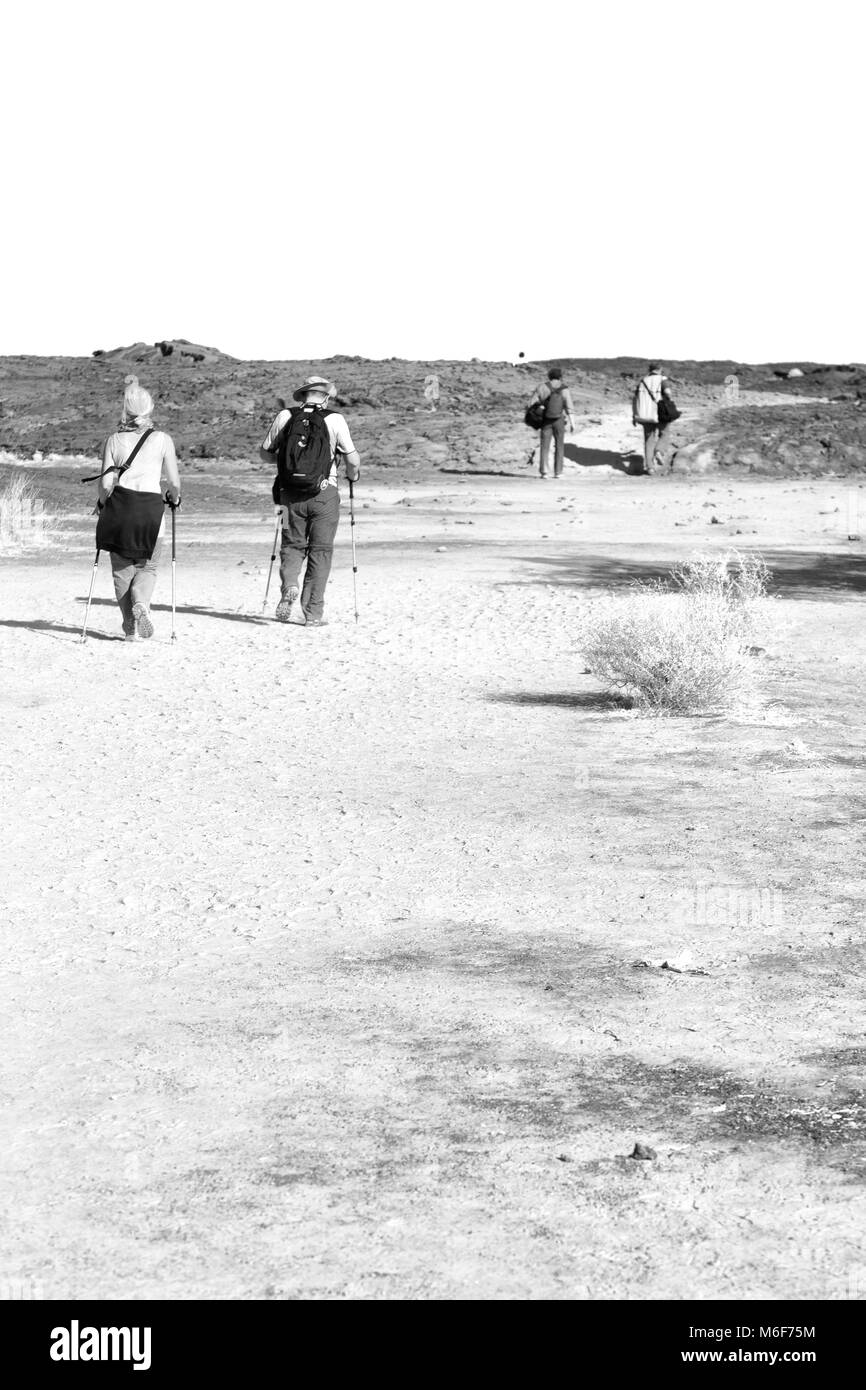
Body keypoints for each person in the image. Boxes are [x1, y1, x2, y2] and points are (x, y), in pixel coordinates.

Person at [259, 376, 361, 626]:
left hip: (287, 494)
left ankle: (290, 585)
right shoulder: (334, 419)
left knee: (290, 544)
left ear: (303, 395)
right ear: (325, 396)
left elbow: (264, 453)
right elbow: (353, 459)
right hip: (325, 493)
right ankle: (313, 613)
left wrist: (287, 464)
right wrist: (353, 474)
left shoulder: (285, 416)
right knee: (321, 551)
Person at [94, 377, 181, 641]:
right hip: (151, 511)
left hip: (120, 509)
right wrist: (174, 498)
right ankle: (141, 602)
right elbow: (174, 483)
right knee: (148, 567)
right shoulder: (163, 439)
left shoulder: (113, 440)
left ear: (126, 410)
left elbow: (106, 482)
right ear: (150, 409)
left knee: (122, 570)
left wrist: (101, 504)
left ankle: (129, 626)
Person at [528, 367, 576, 478]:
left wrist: (540, 407)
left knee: (545, 446)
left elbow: (530, 404)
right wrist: (573, 423)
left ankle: (544, 472)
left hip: (546, 420)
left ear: (549, 376)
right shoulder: (565, 389)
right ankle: (558, 472)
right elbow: (569, 407)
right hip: (559, 420)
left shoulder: (542, 387)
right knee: (559, 446)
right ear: (560, 377)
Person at [632, 362, 675, 474]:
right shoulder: (663, 379)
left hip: (645, 415)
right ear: (660, 369)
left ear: (650, 370)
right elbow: (668, 392)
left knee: (649, 440)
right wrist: (668, 401)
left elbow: (635, 399)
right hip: (660, 413)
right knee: (664, 433)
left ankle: (650, 468)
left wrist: (634, 415)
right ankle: (659, 451)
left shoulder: (642, 381)